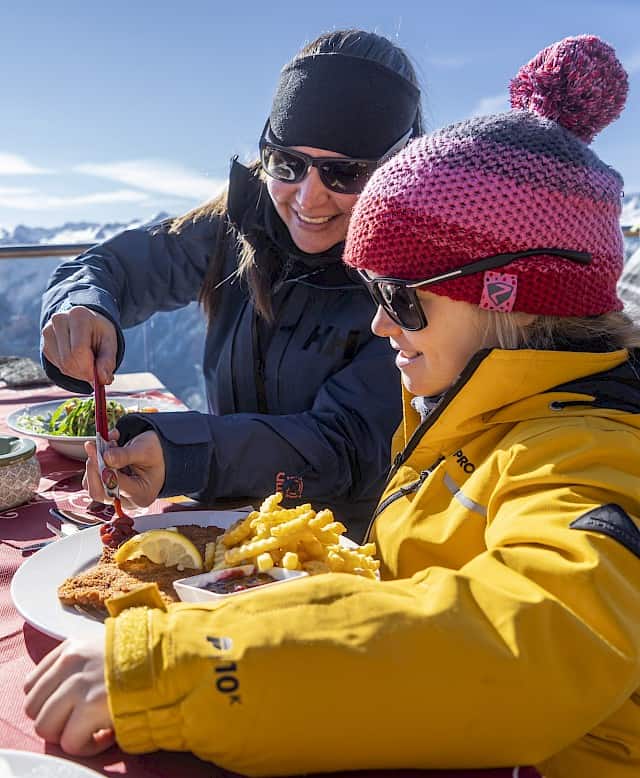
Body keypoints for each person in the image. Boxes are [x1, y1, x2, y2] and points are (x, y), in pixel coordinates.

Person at [25, 34, 640, 778]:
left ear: (505, 296)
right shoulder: (466, 403)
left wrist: (180, 667)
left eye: (397, 296)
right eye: (288, 165)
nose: (381, 323)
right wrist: (84, 305)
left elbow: (531, 642)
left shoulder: (590, 457)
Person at [40, 29, 423, 536]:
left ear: (395, 169)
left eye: (345, 174)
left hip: (347, 543)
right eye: (287, 163)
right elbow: (112, 268)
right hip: (224, 524)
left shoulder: (416, 279)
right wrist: (82, 308)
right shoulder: (238, 223)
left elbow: (349, 443)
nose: (308, 199)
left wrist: (186, 455)